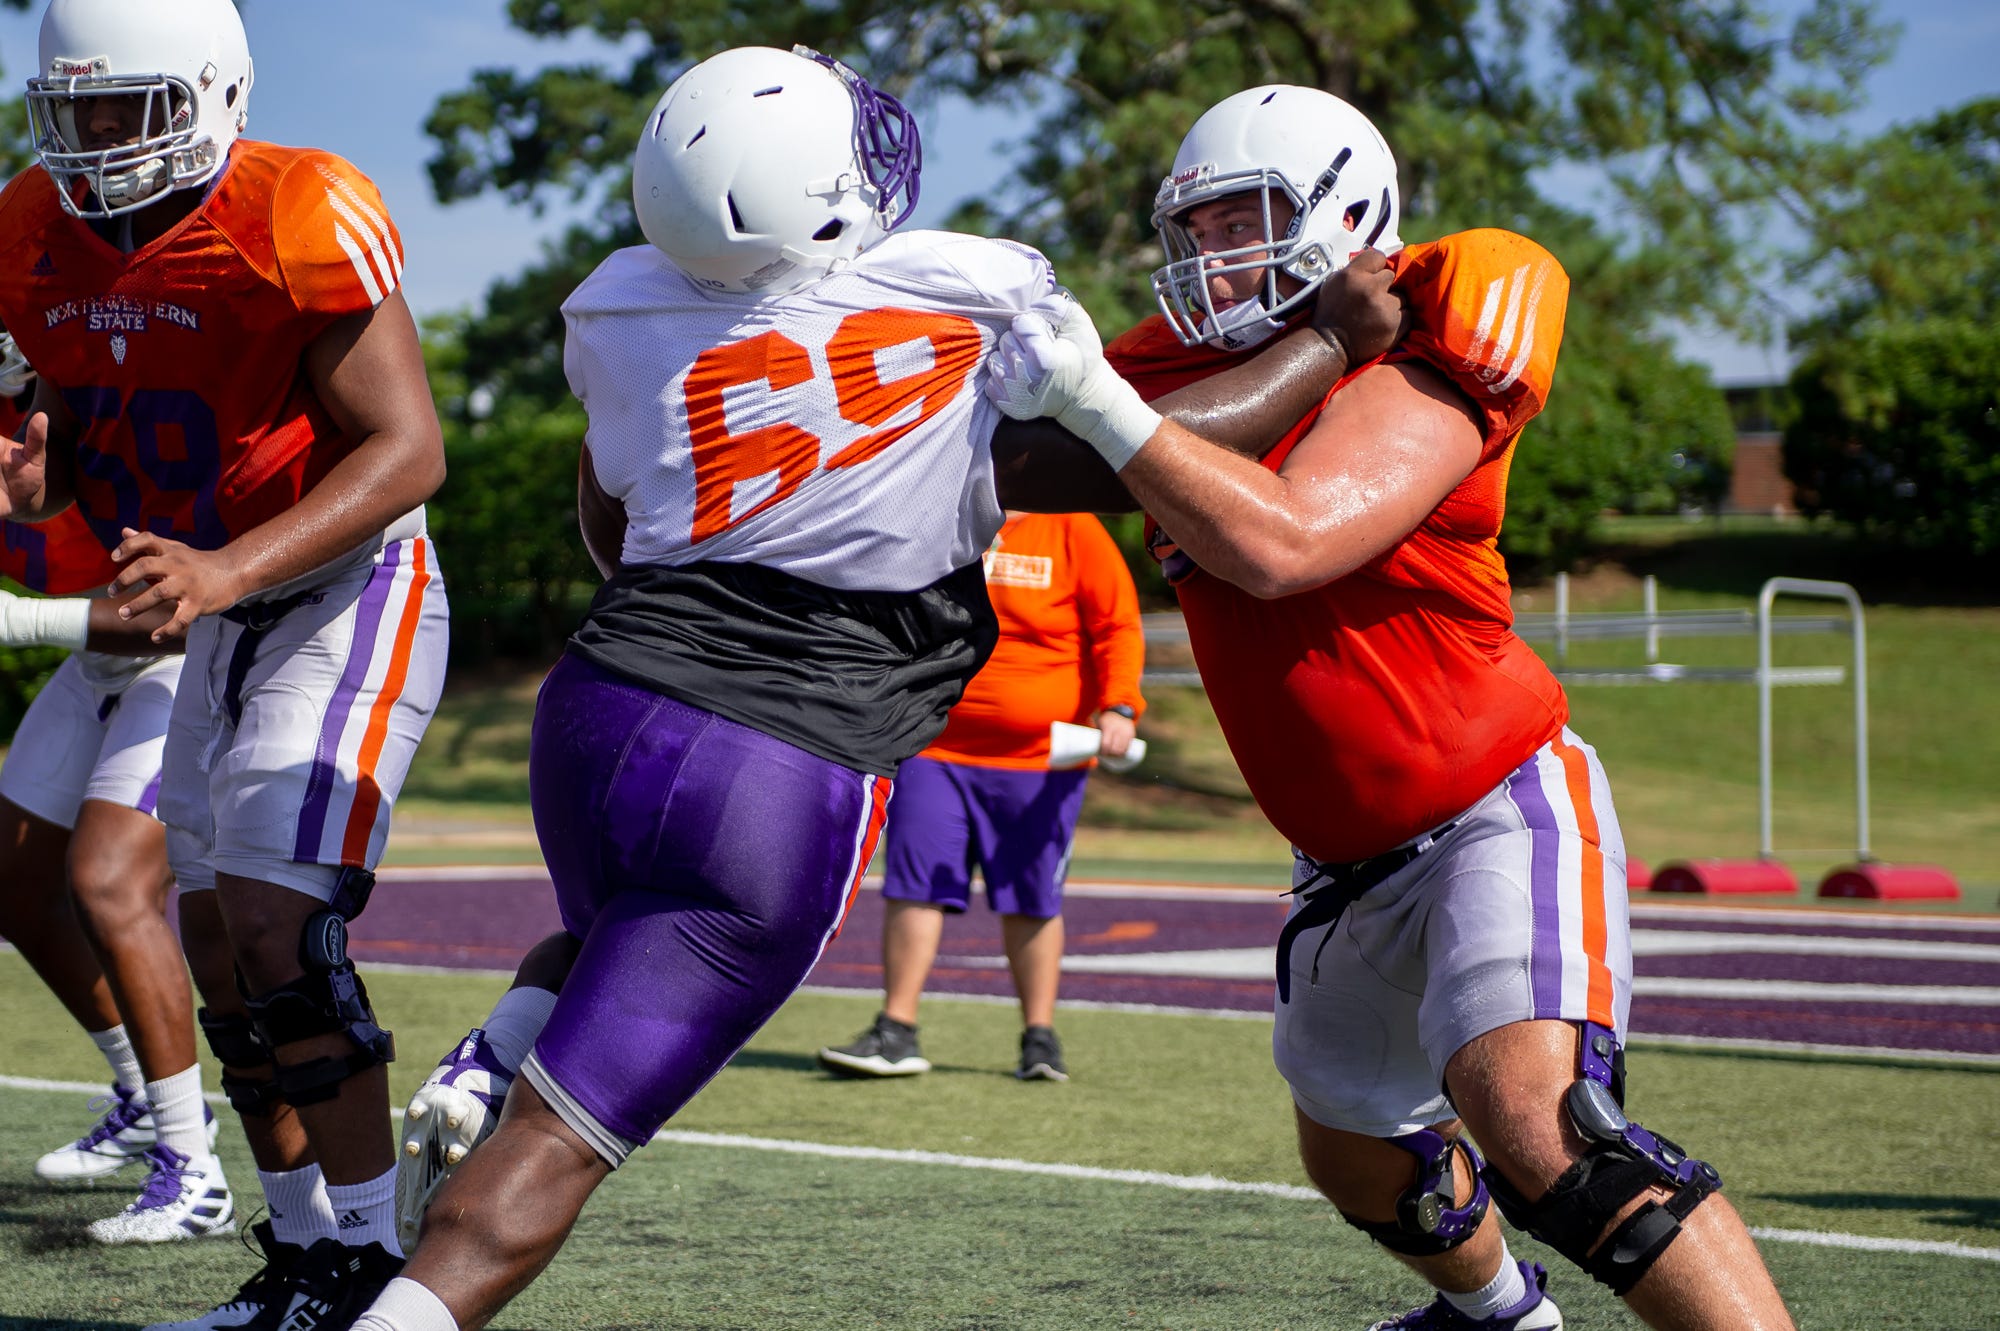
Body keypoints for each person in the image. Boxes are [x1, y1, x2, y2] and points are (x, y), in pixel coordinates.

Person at [358, 45, 1394, 1331]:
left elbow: (609, 514)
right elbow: (1144, 457)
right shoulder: (965, 288)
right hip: (777, 762)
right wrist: (1332, 342)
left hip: (597, 711)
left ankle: (499, 1045)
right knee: (563, 1140)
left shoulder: (618, 307)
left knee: (614, 942)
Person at [983, 84, 1798, 1331]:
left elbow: (1286, 540)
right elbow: (1015, 458)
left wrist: (1183, 393)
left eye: (1242, 219)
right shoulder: (1179, 363)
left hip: (1493, 798)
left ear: (1344, 215)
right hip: (1340, 860)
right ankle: (1498, 1320)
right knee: (1356, 1147)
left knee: (1540, 1123)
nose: (1210, 257)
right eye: (1194, 230)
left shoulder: (1464, 285)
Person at [0, 1, 450, 1327]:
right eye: (71, 111)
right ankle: (304, 1249)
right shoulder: (28, 228)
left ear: (212, 93)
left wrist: (222, 571)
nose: (93, 143)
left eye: (123, 109)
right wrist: (41, 478)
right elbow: (82, 433)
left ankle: (371, 1256)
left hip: (337, 583)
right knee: (212, 941)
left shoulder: (293, 213)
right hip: (210, 595)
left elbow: (408, 449)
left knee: (273, 921)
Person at [0, 334, 226, 1242]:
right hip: (101, 654)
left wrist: (18, 620)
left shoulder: (136, 381)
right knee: (15, 880)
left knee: (107, 880)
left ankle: (194, 1168)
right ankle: (142, 1093)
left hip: (194, 652)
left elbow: (183, 608)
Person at [817, 508, 1145, 1082]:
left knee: (1030, 897)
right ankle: (896, 1032)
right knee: (914, 886)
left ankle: (1039, 1039)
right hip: (933, 746)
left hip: (1040, 760)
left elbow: (1116, 625)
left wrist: (1119, 705)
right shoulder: (944, 506)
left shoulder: (1072, 526)